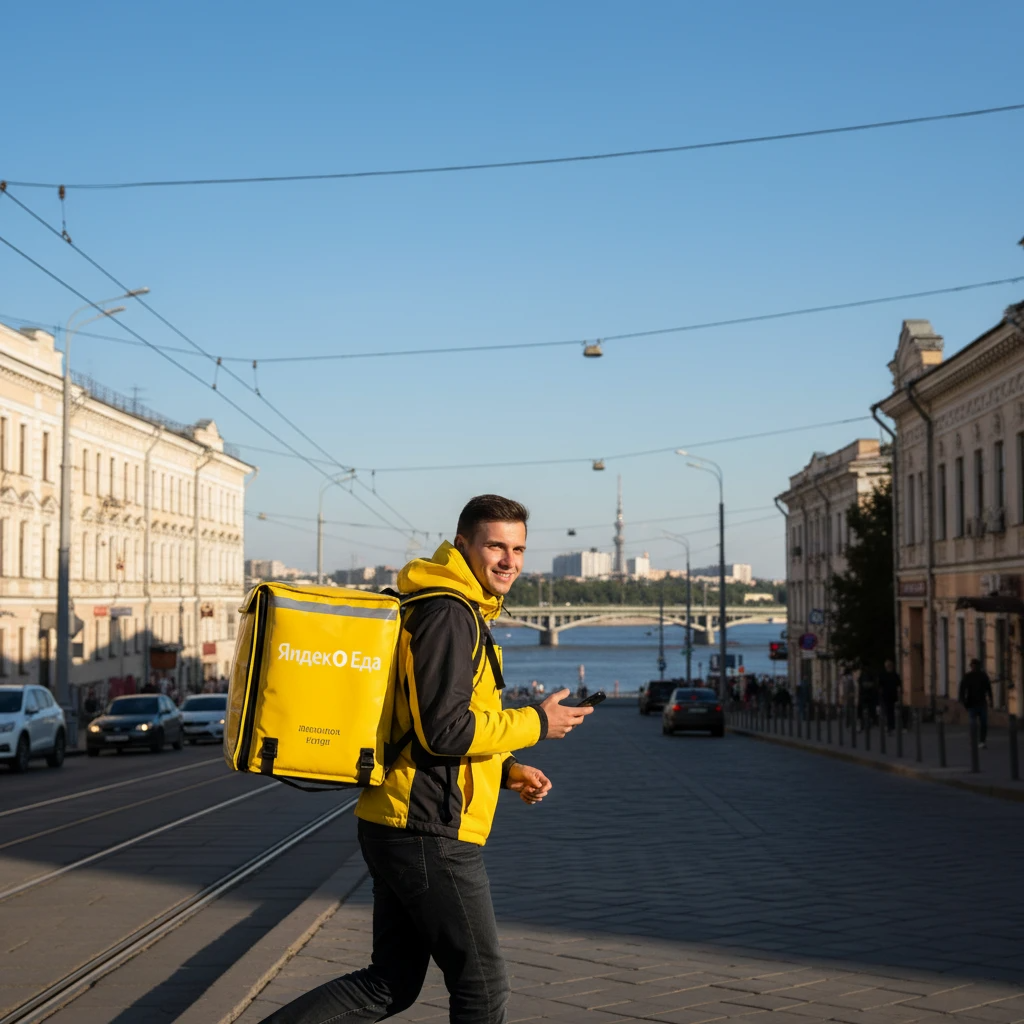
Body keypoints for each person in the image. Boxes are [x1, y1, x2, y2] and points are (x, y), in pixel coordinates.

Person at [259, 495, 592, 1024]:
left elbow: (428, 721)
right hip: (428, 827)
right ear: (463, 544)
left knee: (390, 983)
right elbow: (444, 731)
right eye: (496, 546)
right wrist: (536, 724)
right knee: (482, 987)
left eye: (519, 549)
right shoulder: (448, 613)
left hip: (403, 819)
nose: (509, 560)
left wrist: (506, 769)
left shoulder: (451, 607)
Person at [958, 658, 993, 749]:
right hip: (972, 703)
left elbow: (988, 688)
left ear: (978, 666)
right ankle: (974, 740)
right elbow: (962, 689)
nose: (974, 667)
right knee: (974, 723)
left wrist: (990, 699)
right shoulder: (968, 676)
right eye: (973, 666)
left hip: (981, 703)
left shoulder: (983, 676)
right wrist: (963, 700)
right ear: (971, 667)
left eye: (975, 666)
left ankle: (982, 741)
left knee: (983, 723)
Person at [878, 659, 901, 733]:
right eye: (887, 666)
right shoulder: (883, 675)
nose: (889, 667)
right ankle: (889, 726)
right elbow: (879, 685)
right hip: (885, 696)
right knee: (887, 711)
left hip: (893, 696)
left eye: (890, 666)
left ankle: (892, 726)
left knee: (891, 711)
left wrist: (899, 693)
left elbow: (899, 685)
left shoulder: (895, 675)